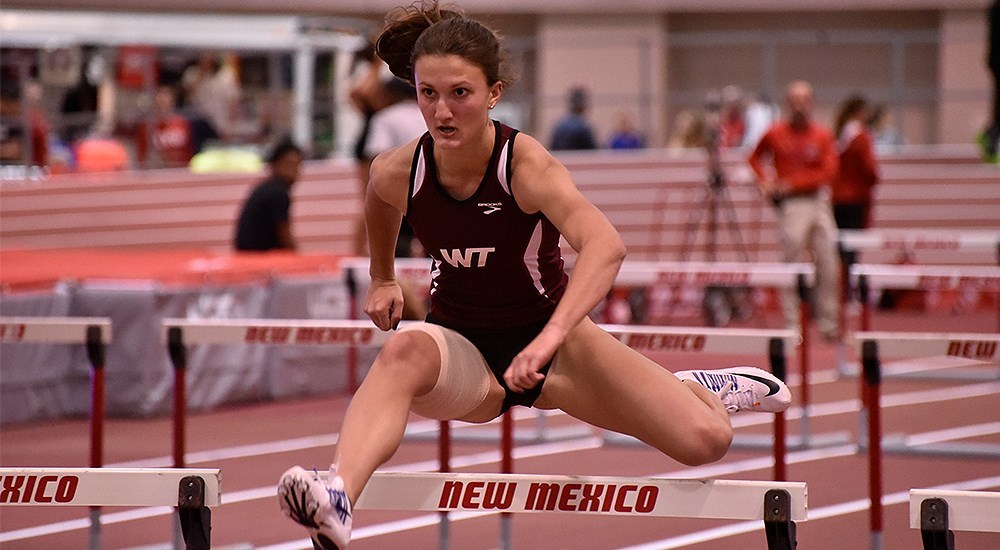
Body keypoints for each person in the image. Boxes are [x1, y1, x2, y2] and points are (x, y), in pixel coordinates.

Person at [276, 4, 791, 548]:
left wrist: (549, 340)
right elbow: (378, 197)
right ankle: (337, 496)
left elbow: (605, 246)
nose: (442, 112)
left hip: (555, 345)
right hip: (464, 350)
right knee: (402, 351)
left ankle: (693, 389)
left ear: (493, 94)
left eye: (460, 93)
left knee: (706, 441)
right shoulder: (399, 169)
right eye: (429, 94)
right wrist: (382, 276)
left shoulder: (524, 165)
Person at [748, 80, 841, 342]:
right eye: (795, 100)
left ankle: (829, 324)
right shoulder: (775, 133)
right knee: (790, 261)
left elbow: (829, 172)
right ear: (788, 104)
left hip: (818, 202)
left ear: (812, 103)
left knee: (829, 261)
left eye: (805, 100)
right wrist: (764, 181)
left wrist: (791, 183)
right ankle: (792, 324)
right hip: (792, 206)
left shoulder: (822, 135)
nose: (800, 105)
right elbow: (754, 158)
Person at [831, 94, 880, 270]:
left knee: (840, 245)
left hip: (837, 196)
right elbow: (870, 168)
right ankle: (851, 282)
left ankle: (843, 280)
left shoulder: (839, 134)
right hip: (856, 196)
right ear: (860, 112)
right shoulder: (861, 136)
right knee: (853, 246)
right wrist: (874, 180)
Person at [233, 137, 303, 251]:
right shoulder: (277, 193)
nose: (293, 170)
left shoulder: (268, 188)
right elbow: (284, 236)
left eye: (297, 165)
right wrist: (297, 257)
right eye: (288, 164)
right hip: (258, 256)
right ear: (275, 165)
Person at [550, 85, 597, 150]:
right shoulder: (583, 128)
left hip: (559, 156)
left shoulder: (559, 126)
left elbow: (552, 147)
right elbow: (592, 151)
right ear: (582, 106)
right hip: (578, 156)